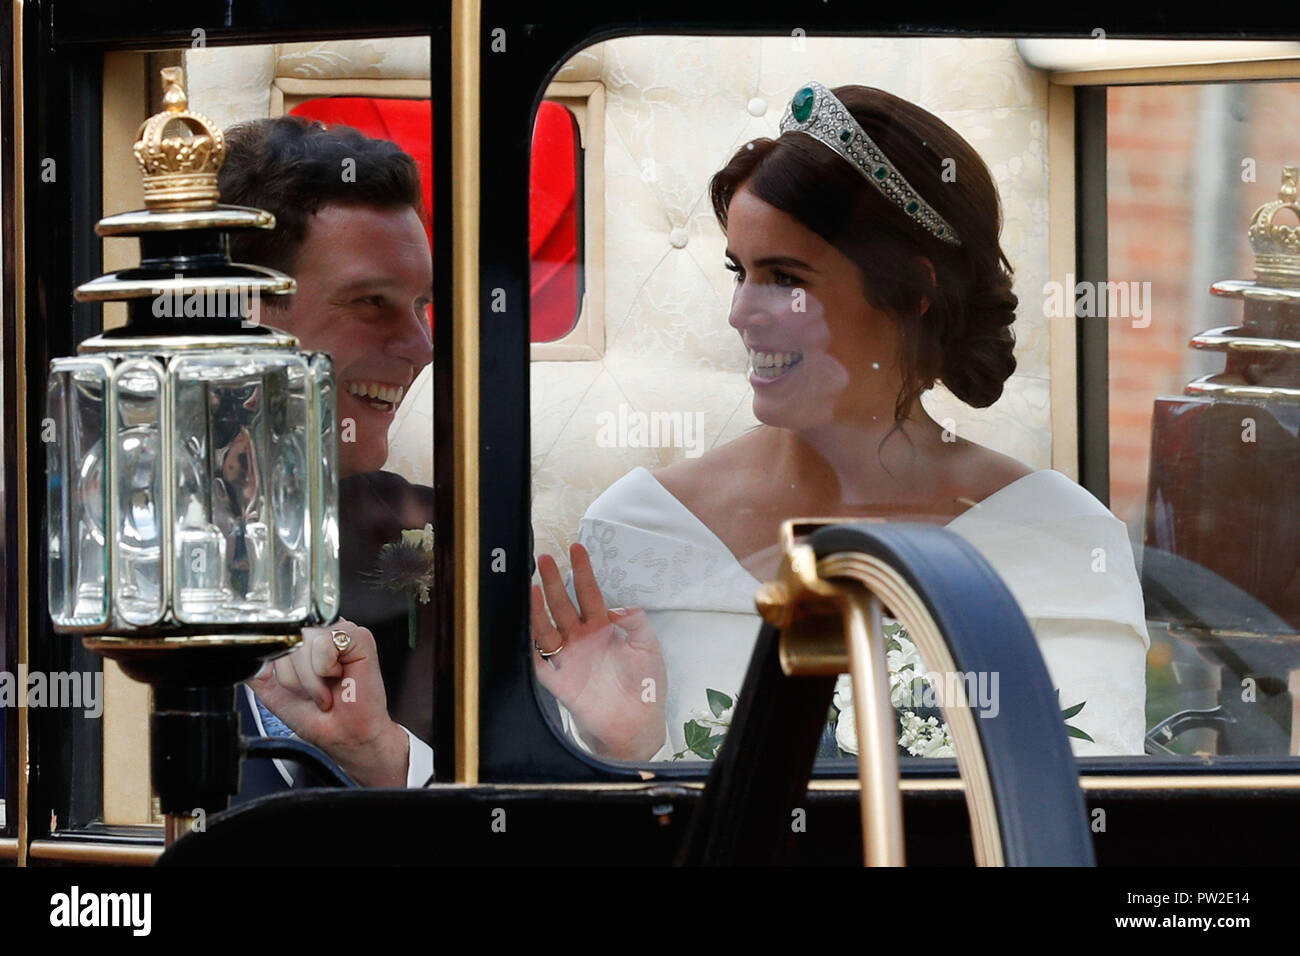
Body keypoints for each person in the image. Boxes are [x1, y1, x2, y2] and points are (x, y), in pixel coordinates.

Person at [530, 82, 1150, 763]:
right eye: (741, 271)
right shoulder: (639, 530)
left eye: (784, 278)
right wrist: (623, 751)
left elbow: (1088, 825)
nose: (741, 312)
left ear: (913, 291)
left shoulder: (1064, 538)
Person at [215, 116, 436, 793]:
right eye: (371, 302)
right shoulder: (69, 549)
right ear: (241, 313)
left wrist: (387, 763)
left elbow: (498, 815)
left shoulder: (435, 543)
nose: (422, 346)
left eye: (421, 305)